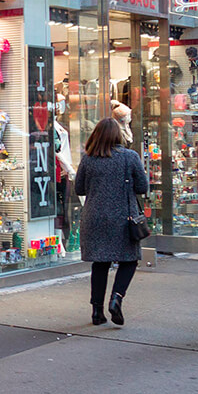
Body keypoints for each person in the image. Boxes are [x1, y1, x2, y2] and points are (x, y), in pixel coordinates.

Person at [73, 116, 150, 326]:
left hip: (94, 217)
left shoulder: (88, 159)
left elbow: (79, 189)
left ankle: (97, 311)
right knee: (129, 260)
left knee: (100, 263)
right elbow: (142, 187)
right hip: (122, 218)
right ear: (118, 135)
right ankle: (117, 297)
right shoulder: (130, 157)